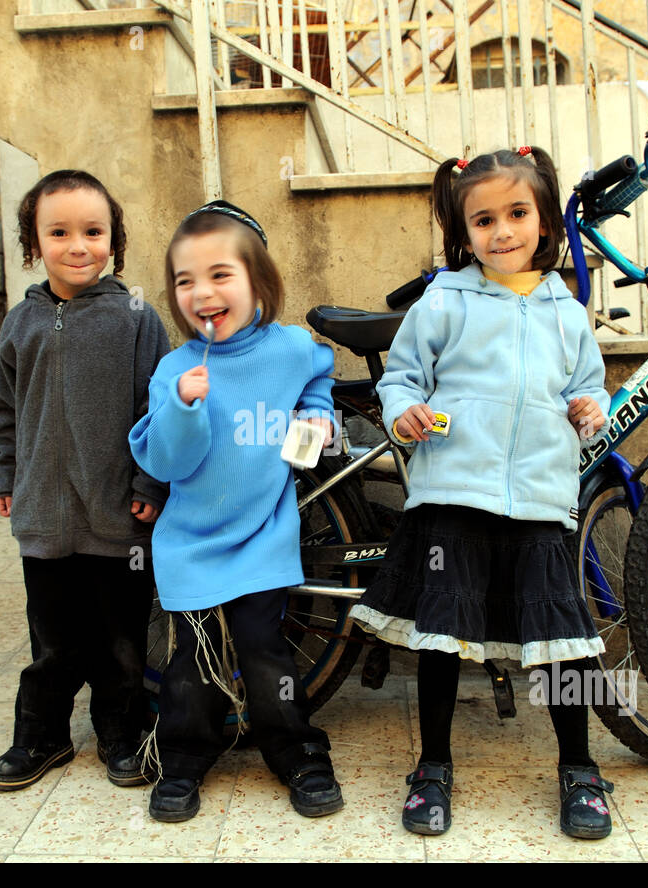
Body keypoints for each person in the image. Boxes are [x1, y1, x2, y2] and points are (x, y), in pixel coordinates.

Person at [349, 146, 615, 839]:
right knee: (442, 638)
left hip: (538, 501)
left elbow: (589, 386)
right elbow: (403, 377)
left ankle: (580, 767)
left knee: (565, 643)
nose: (502, 231)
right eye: (484, 219)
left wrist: (592, 408)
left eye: (517, 213)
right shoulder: (445, 298)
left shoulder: (566, 309)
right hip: (453, 494)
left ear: (545, 220)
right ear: (463, 233)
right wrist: (402, 411)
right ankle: (432, 764)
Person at [128, 200, 343, 823]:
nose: (202, 292)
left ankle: (299, 753)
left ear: (259, 282)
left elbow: (318, 378)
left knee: (264, 651)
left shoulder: (291, 348)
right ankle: (184, 760)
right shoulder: (174, 369)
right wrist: (183, 407)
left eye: (220, 274)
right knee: (190, 663)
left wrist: (317, 414)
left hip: (261, 534)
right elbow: (167, 462)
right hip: (191, 540)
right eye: (185, 280)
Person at [0, 169, 169, 792]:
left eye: (93, 231)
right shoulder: (20, 323)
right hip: (42, 514)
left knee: (121, 642)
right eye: (58, 232)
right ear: (34, 244)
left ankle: (121, 736)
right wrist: (5, 476)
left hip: (119, 514)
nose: (78, 246)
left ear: (114, 240)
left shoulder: (136, 321)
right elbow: (4, 410)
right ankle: (42, 736)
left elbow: (157, 411)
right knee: (53, 640)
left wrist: (149, 487)